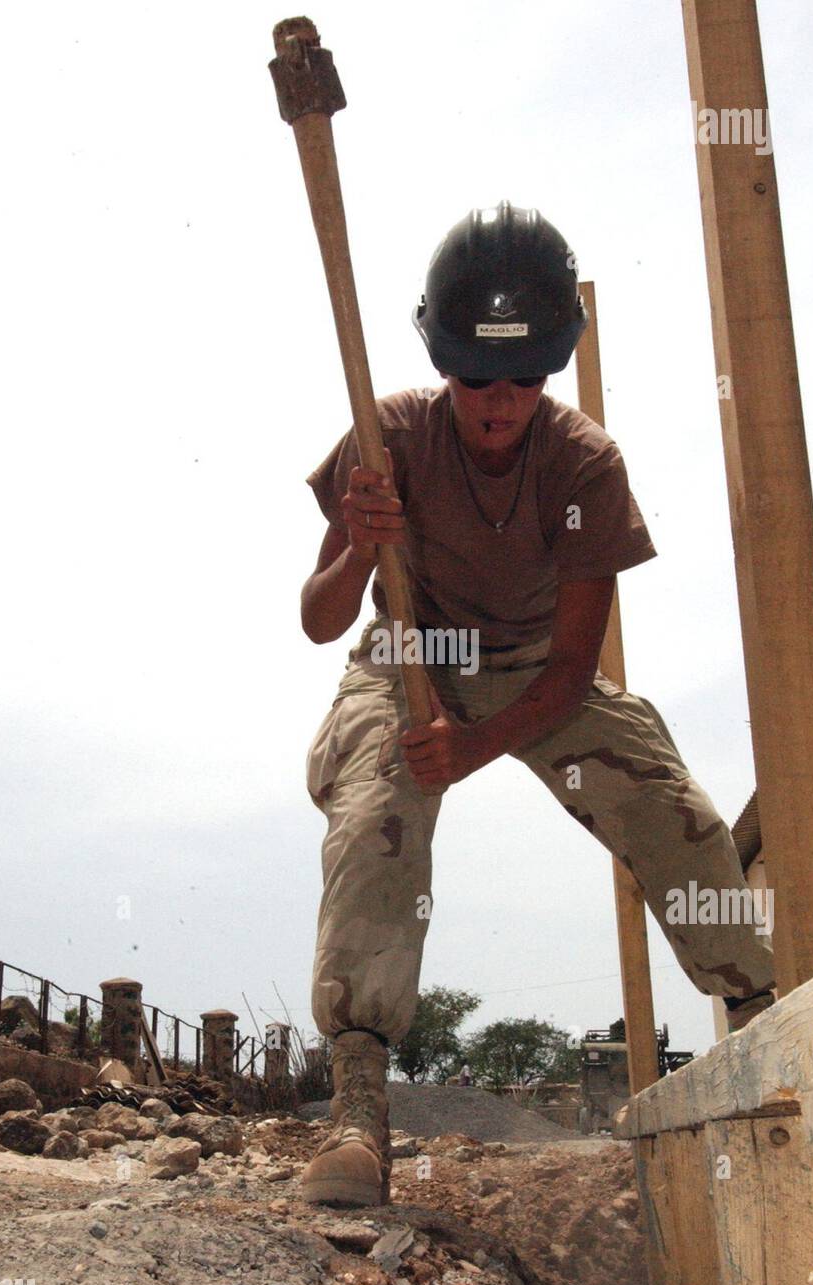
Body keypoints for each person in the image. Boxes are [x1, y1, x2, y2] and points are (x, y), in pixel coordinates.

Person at [298, 201, 775, 1207]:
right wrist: (353, 540)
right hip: (406, 649)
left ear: (554, 365)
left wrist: (472, 746)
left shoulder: (585, 465)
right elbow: (315, 616)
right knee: (375, 818)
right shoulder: (383, 435)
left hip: (528, 667)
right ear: (443, 362)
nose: (499, 400)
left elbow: (570, 669)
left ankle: (764, 1024)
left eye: (525, 375)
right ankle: (355, 1110)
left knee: (670, 805)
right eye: (476, 375)